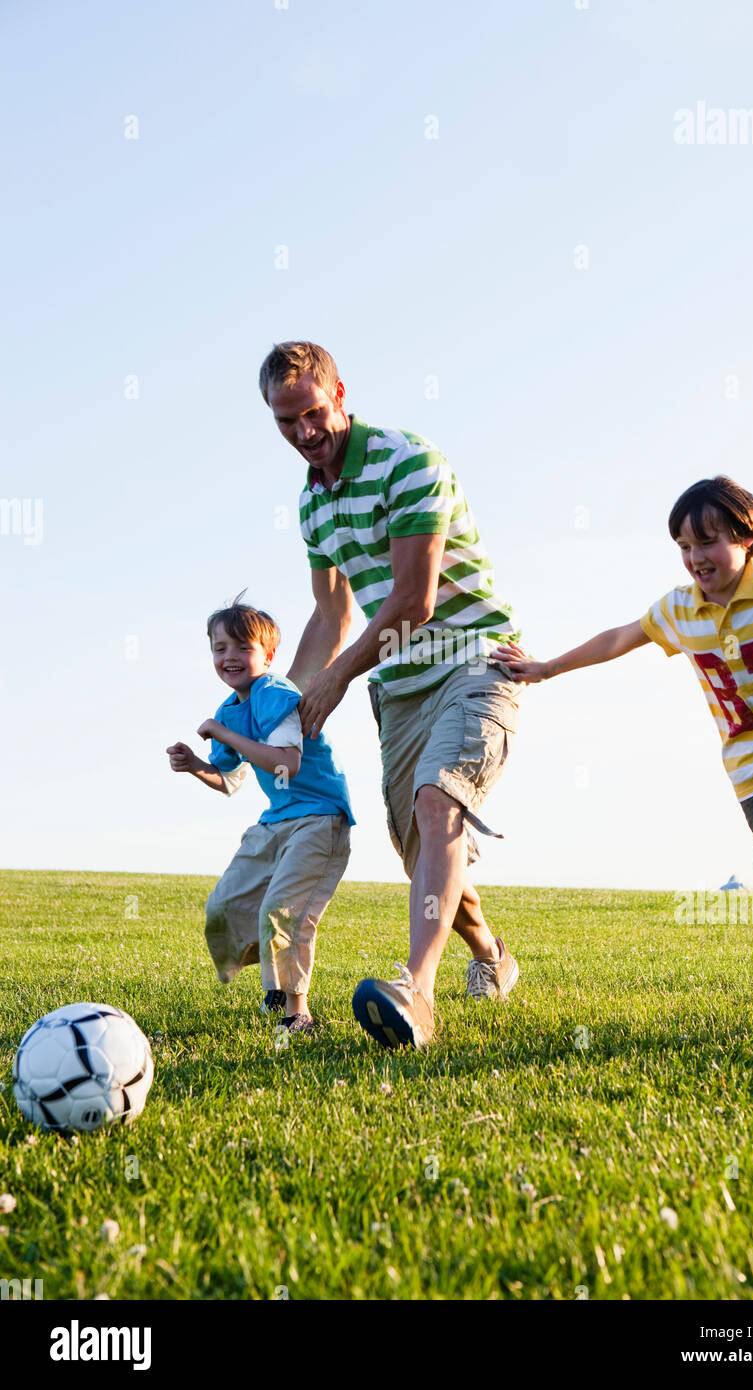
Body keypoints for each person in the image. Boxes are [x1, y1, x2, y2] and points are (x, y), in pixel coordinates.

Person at [258, 339, 523, 1049]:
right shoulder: (314, 506)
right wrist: (283, 703)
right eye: (286, 424)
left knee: (439, 804)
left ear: (339, 396)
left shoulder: (409, 461)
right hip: (401, 689)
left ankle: (418, 996)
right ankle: (491, 957)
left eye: (312, 414)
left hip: (473, 660)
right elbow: (330, 616)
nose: (304, 434)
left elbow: (414, 601)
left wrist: (339, 676)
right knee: (422, 849)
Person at [496, 476, 753, 952]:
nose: (695, 558)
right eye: (684, 547)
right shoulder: (678, 610)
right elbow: (617, 640)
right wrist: (546, 668)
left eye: (707, 543)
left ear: (747, 539)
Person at [166, 597, 353, 1034]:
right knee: (225, 905)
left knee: (282, 910)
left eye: (242, 648)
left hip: (320, 818)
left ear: (268, 656)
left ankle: (297, 1015)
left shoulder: (276, 694)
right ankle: (275, 978)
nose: (229, 657)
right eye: (219, 648)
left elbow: (287, 762)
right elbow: (230, 780)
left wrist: (224, 733)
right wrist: (197, 765)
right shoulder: (231, 710)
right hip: (277, 818)